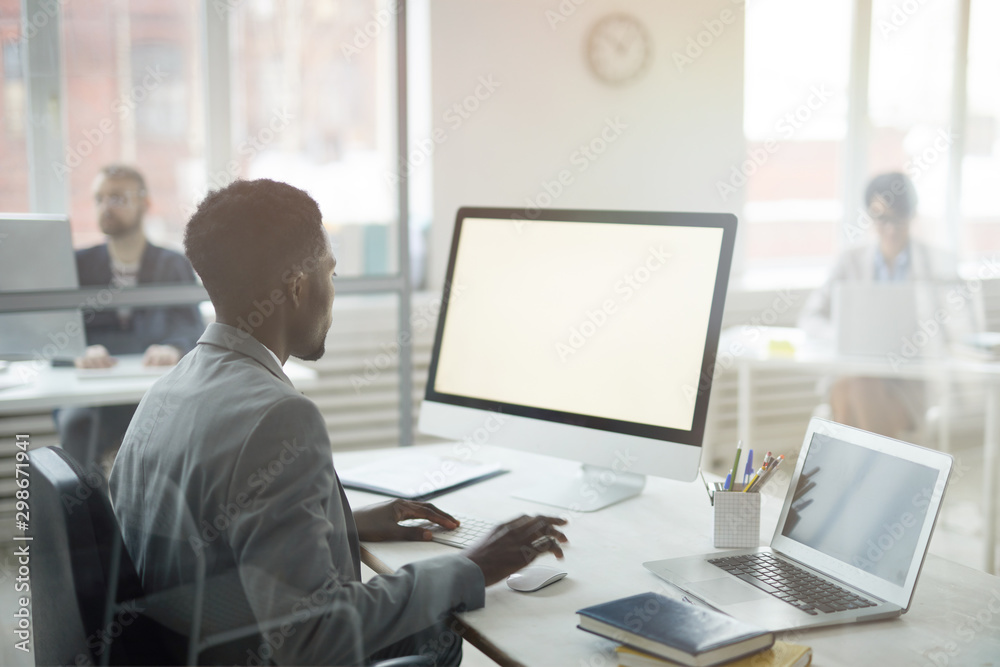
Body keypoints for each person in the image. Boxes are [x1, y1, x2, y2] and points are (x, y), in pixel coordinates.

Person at [108, 178, 568, 666]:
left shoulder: (168, 389)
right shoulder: (278, 417)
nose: (333, 290)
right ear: (298, 283)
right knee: (440, 635)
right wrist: (471, 566)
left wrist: (342, 523)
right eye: (331, 271)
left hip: (195, 641)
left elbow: (211, 537)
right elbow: (313, 637)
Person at [56, 165, 204, 470]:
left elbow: (193, 330)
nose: (106, 207)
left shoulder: (173, 264)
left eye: (117, 198)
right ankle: (87, 515)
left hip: (153, 389)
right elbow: (55, 333)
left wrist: (174, 348)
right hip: (92, 392)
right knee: (77, 422)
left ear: (145, 204)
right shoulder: (76, 265)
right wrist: (77, 352)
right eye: (99, 199)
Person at [798, 172, 961, 439]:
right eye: (882, 218)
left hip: (909, 383)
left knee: (855, 389)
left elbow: (951, 327)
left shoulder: (935, 262)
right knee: (857, 383)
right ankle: (882, 476)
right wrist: (842, 335)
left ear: (913, 214)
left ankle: (851, 478)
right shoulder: (849, 260)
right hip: (852, 372)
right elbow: (811, 317)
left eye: (899, 218)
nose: (891, 229)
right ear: (870, 217)